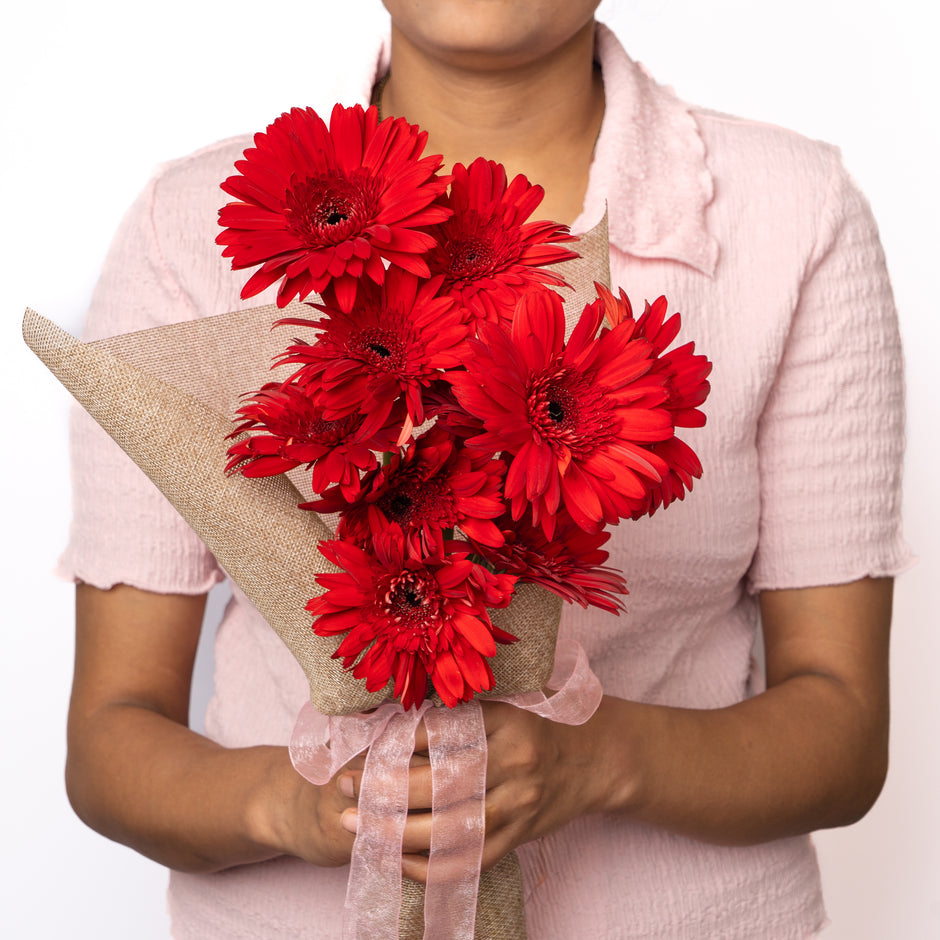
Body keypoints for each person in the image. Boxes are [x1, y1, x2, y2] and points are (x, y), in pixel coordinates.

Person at [60, 2, 911, 937]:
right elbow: (110, 740)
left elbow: (842, 734)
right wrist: (298, 806)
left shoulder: (794, 213)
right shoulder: (186, 227)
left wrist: (598, 760)